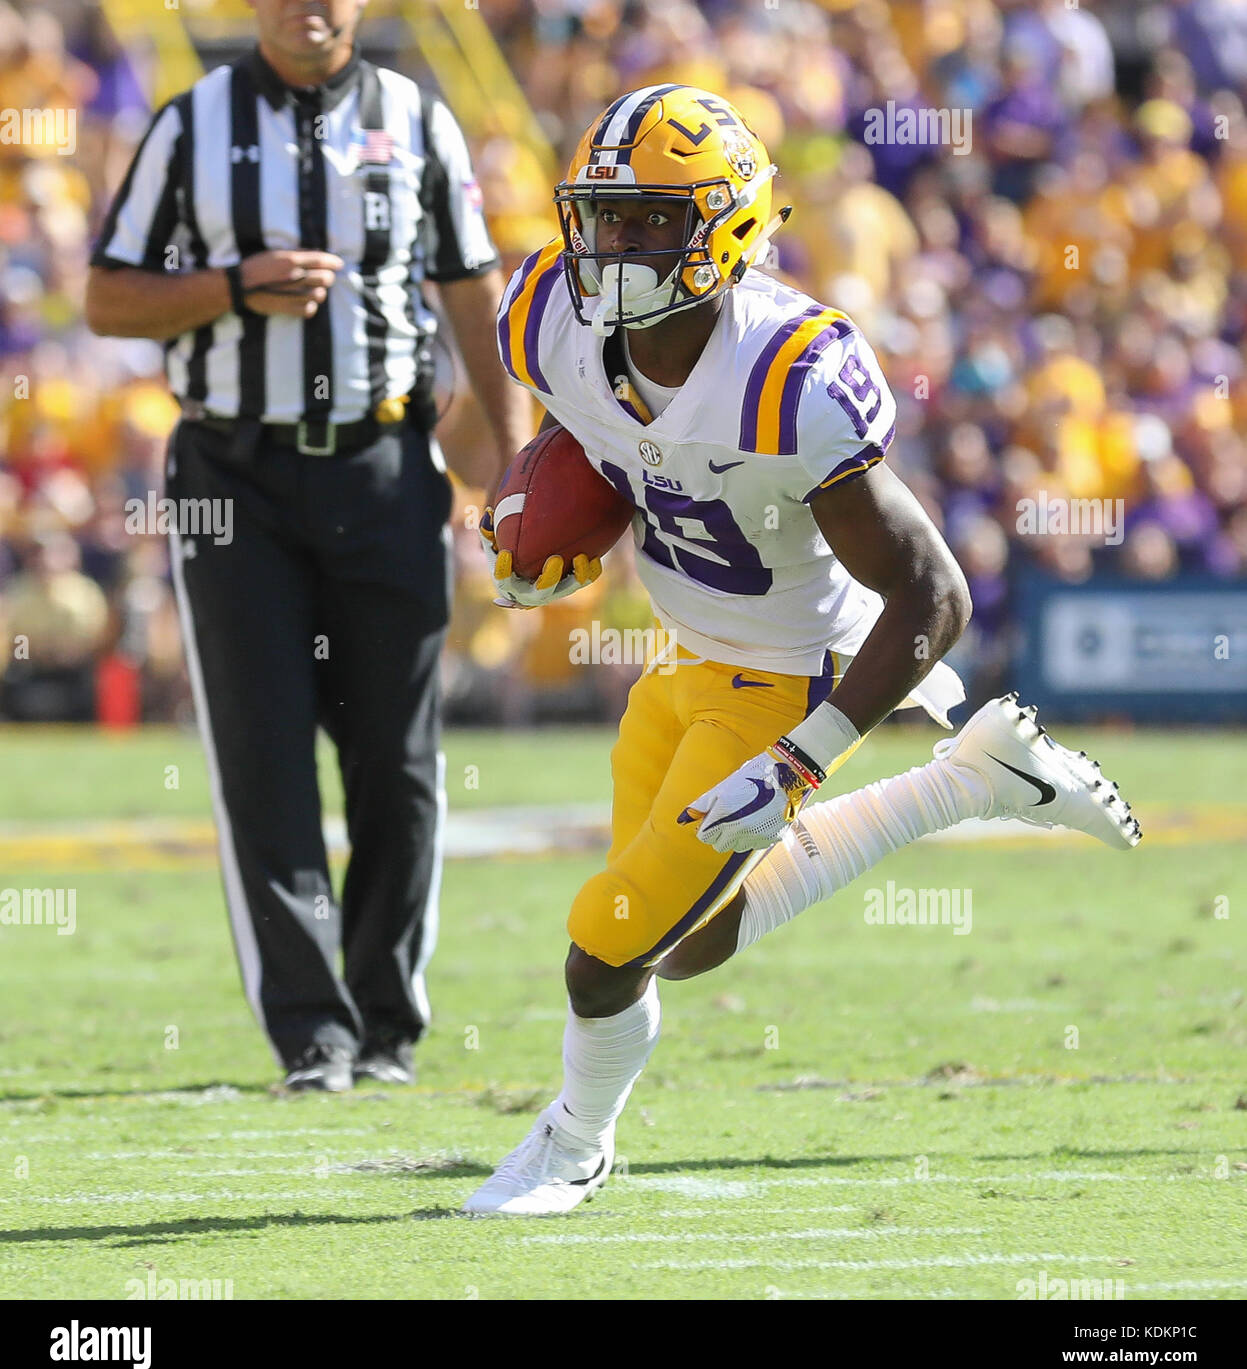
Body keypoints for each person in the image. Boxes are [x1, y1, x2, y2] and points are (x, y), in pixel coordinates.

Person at [468, 85, 1141, 1215]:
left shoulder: (787, 377)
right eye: (605, 216)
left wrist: (800, 758)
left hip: (787, 678)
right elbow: (584, 430)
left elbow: (931, 591)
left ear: (725, 227)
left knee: (607, 943)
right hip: (685, 654)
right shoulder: (548, 312)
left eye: (651, 221)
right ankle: (969, 780)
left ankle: (573, 1143)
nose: (616, 246)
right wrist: (536, 520)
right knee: (689, 943)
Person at [84, 0, 530, 1091]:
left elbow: (471, 284)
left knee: (397, 758)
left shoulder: (417, 117)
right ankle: (311, 1032)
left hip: (384, 464)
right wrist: (235, 286)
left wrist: (513, 457)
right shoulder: (191, 124)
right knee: (262, 754)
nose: (310, 7)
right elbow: (107, 296)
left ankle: (388, 1022)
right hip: (233, 476)